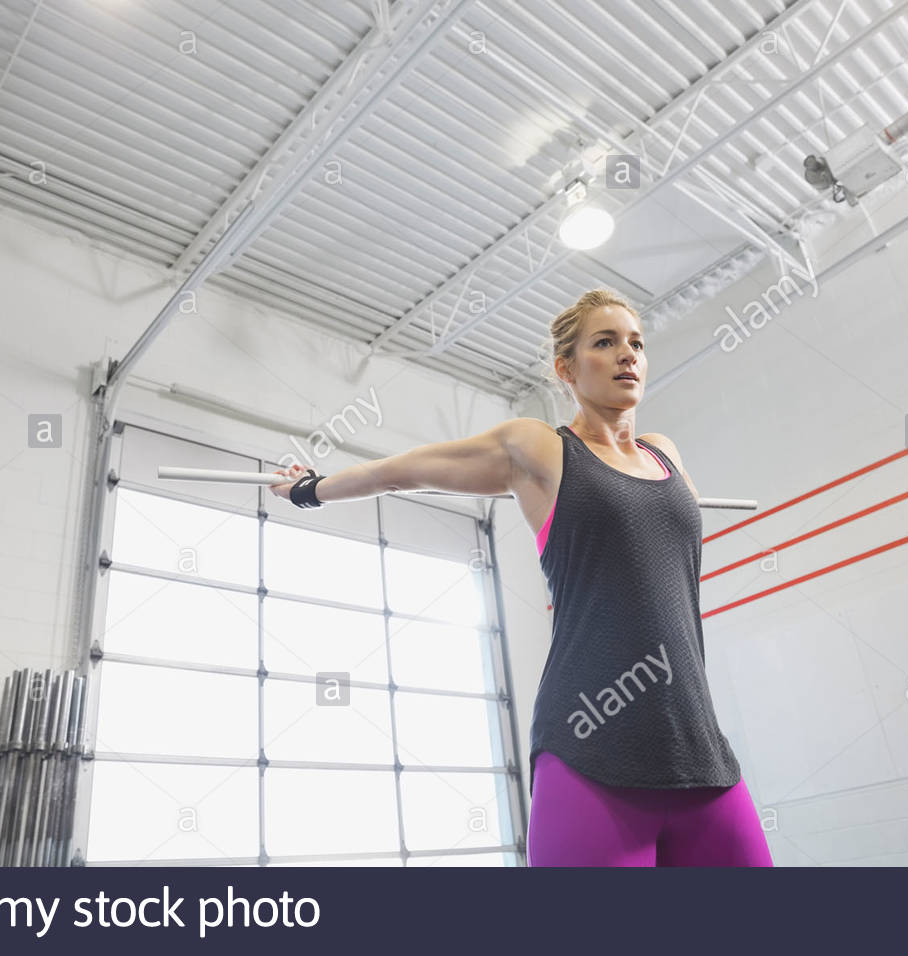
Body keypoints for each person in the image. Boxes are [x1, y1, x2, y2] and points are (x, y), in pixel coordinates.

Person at [270, 288, 773, 867]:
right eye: (605, 343)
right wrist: (312, 489)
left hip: (697, 749)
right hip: (592, 747)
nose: (627, 355)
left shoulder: (665, 454)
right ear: (566, 368)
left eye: (635, 343)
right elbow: (403, 471)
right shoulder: (541, 449)